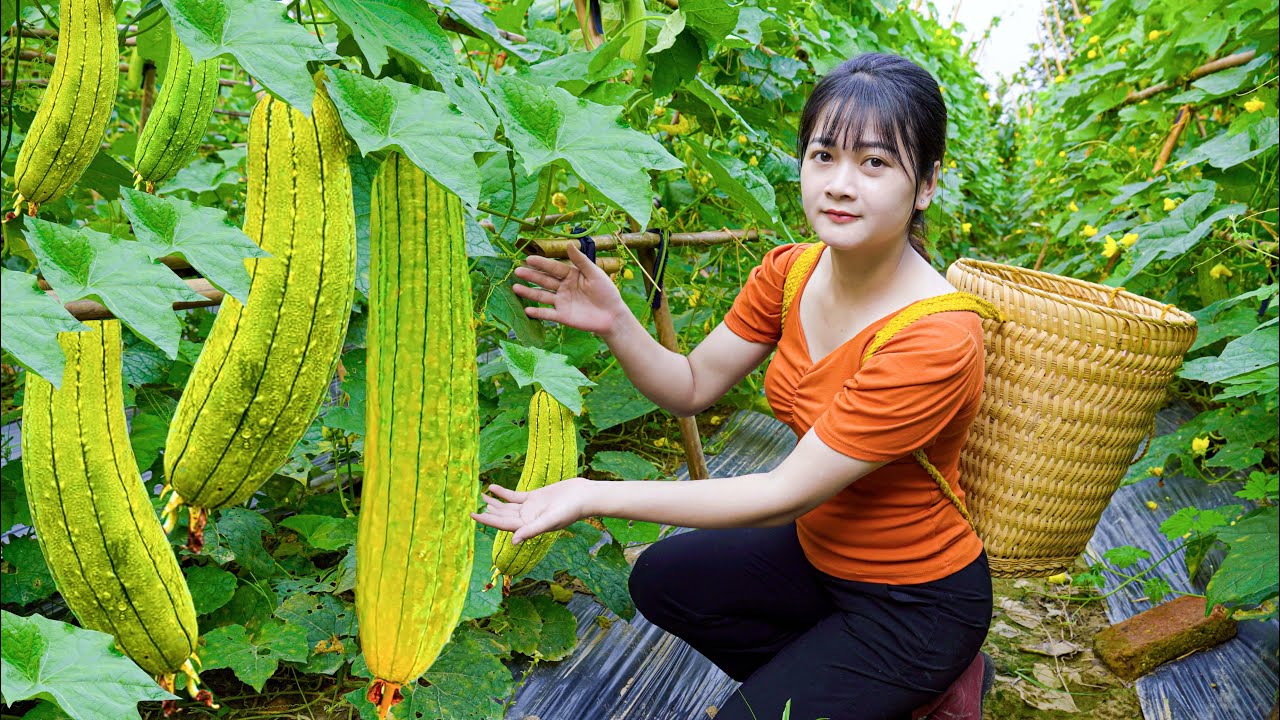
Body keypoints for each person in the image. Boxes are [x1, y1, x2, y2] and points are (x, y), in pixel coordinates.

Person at [470, 52, 994, 720]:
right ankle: (857, 691)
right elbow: (690, 385)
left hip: (913, 602)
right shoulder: (790, 274)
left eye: (874, 163)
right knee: (664, 580)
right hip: (818, 554)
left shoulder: (936, 339)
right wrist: (614, 322)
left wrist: (586, 492)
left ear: (925, 185)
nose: (839, 184)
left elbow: (780, 493)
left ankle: (918, 679)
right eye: (823, 155)